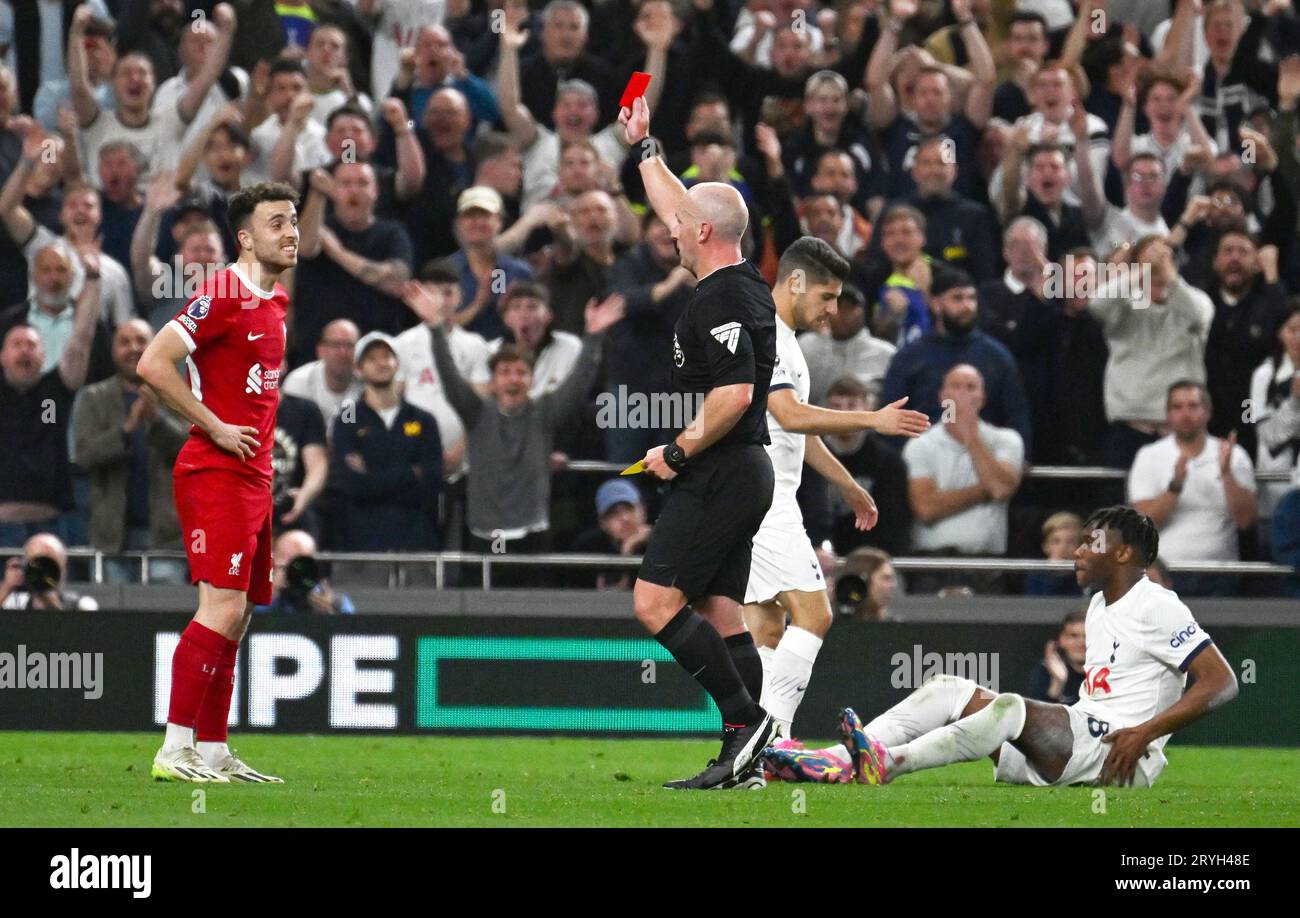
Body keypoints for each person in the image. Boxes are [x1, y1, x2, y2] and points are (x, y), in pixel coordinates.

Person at [763, 507, 1239, 790]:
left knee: (1009, 707)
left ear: (1123, 553)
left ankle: (887, 765)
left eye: (1091, 542)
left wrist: (1145, 734)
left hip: (1122, 754)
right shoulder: (1097, 605)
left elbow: (1221, 682)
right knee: (947, 687)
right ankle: (836, 760)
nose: (1077, 550)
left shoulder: (1157, 603)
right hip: (1084, 737)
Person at [620, 94, 778, 789]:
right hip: (745, 469)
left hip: (721, 467)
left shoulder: (720, 299)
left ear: (706, 231)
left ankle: (748, 727)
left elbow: (736, 394)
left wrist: (677, 451)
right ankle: (747, 760)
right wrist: (645, 147)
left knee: (654, 603)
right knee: (721, 614)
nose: (670, 234)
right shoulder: (740, 280)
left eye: (682, 227)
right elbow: (677, 206)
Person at [136, 181, 302, 784]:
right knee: (220, 607)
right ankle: (172, 749)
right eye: (277, 222)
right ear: (246, 237)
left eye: (294, 221)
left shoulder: (275, 301)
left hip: (254, 478)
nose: (290, 231)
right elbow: (152, 363)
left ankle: (211, 751)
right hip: (215, 470)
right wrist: (215, 425)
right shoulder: (223, 293)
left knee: (239, 616)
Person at [741, 236, 929, 739]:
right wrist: (873, 419)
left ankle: (749, 747)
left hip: (754, 495)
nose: (830, 311)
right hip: (762, 498)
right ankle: (768, 738)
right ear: (795, 281)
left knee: (765, 626)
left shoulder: (786, 342)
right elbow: (788, 413)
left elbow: (795, 429)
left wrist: (847, 484)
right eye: (826, 297)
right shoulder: (771, 336)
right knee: (815, 614)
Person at [403, 277, 621, 567]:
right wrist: (434, 327)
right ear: (493, 382)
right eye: (505, 372)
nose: (513, 379)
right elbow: (448, 372)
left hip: (533, 533)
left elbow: (578, 384)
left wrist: (593, 336)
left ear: (531, 380)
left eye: (521, 372)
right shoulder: (475, 411)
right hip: (483, 534)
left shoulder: (544, 411)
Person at [71, 318, 188, 584]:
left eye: (141, 341)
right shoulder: (93, 397)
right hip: (112, 538)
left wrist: (157, 421)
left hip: (167, 537)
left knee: (163, 620)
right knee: (111, 622)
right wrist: (126, 430)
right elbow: (85, 457)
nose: (133, 348)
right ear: (113, 350)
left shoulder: (180, 394)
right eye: (124, 342)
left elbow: (194, 452)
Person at [0, 254, 103, 548]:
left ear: (43, 356)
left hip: (50, 526)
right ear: (2, 356)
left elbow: (82, 338)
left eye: (31, 345)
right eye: (16, 344)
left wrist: (93, 278)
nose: (24, 351)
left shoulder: (56, 389)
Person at [1128, 380, 1257, 596]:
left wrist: (1227, 474)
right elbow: (1143, 525)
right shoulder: (1149, 456)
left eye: (1193, 406)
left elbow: (1245, 521)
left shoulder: (1234, 454)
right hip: (1163, 574)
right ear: (1168, 414)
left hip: (1219, 575)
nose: (1185, 414)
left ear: (1207, 411)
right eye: (1177, 407)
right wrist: (1175, 487)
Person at [904, 364, 1025, 592]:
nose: (962, 394)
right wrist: (983, 490)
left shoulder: (1006, 440)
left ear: (982, 397)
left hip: (986, 564)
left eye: (971, 387)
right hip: (932, 564)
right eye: (955, 386)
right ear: (942, 396)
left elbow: (999, 488)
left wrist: (971, 437)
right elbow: (926, 508)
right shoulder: (920, 445)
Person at [330, 332, 443, 551]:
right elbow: (351, 485)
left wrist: (371, 475)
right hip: (363, 538)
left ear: (397, 364)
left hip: (416, 535)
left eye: (386, 356)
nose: (381, 363)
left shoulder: (423, 419)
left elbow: (431, 480)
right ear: (359, 369)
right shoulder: (346, 420)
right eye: (372, 358)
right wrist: (411, 473)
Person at [798, 283, 896, 407]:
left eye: (850, 307)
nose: (843, 314)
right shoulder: (807, 346)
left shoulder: (886, 353)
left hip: (866, 423)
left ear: (863, 312)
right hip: (809, 422)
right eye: (837, 307)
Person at [568, 479, 652, 591]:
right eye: (614, 513)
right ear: (602, 523)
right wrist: (627, 551)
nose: (624, 518)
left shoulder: (663, 543)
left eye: (629, 509)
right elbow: (612, 596)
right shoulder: (588, 549)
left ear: (643, 511)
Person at [280, 319, 363, 427]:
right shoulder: (299, 382)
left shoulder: (368, 381)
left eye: (350, 345)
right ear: (321, 351)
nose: (343, 352)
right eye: (336, 345)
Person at [257, 529, 355, 615]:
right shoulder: (256, 602)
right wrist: (272, 595)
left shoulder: (338, 603)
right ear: (274, 564)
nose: (295, 572)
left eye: (300, 564)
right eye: (287, 566)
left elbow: (352, 632)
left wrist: (331, 615)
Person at [0, 533, 98, 611]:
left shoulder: (81, 605)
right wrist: (7, 587)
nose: (43, 572)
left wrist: (52, 604)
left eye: (49, 566)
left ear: (63, 567)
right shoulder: (16, 604)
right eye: (37, 565)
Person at [1023, 610, 1087, 704]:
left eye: (1087, 636)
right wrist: (1058, 683)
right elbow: (1033, 717)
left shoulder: (1111, 672)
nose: (1081, 643)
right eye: (1073, 636)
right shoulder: (1045, 671)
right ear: (1061, 640)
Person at [1024, 512, 1086, 597]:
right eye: (1056, 541)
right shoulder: (1035, 577)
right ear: (1045, 546)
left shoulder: (1087, 578)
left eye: (1071, 542)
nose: (1063, 548)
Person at [832, 547, 899, 622]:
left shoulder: (891, 626)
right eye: (886, 578)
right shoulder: (830, 622)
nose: (893, 585)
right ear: (864, 581)